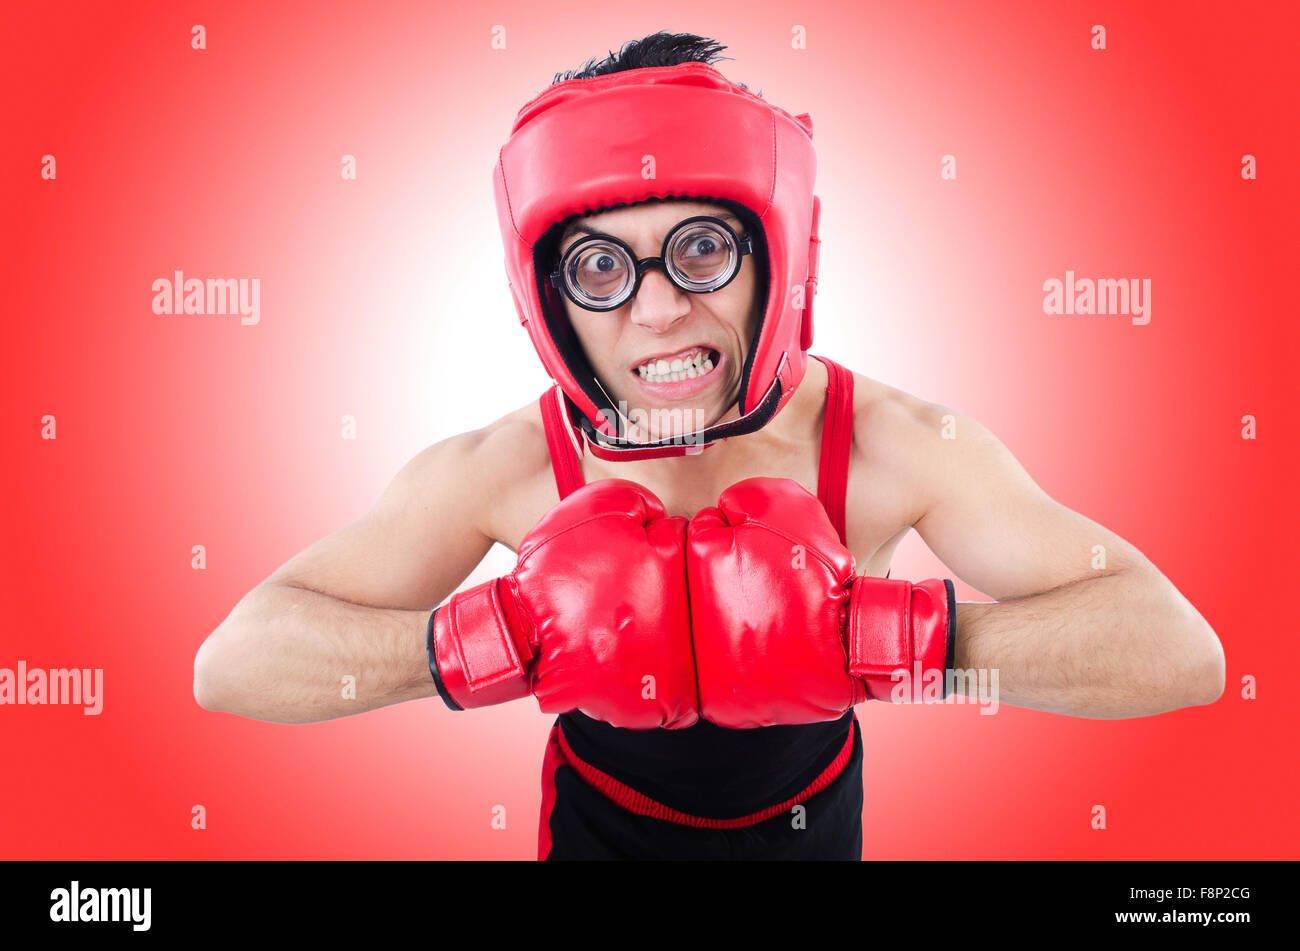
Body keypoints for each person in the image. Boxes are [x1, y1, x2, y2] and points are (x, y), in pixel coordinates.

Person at [193, 32, 1225, 861]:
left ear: (777, 253)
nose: (655, 312)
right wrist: (488, 640)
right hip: (594, 833)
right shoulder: (504, 467)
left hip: (814, 831)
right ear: (547, 297)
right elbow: (235, 662)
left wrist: (890, 642)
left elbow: (1176, 652)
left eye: (699, 248)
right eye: (601, 266)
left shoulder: (893, 446)